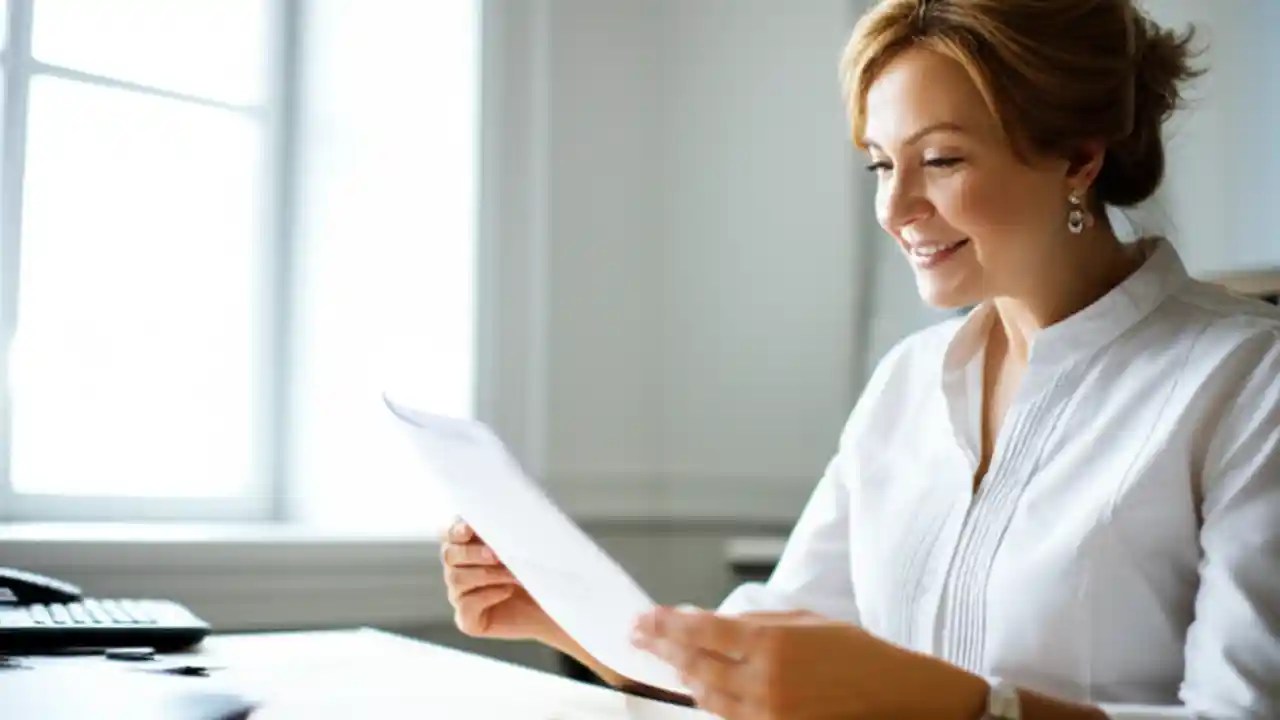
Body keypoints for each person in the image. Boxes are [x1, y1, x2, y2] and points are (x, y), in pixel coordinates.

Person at [440, 0, 1280, 717]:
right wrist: (560, 613)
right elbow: (761, 656)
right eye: (882, 164)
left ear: (1080, 158)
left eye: (942, 160)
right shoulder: (909, 383)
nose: (896, 207)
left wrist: (950, 705)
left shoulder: (1246, 383)